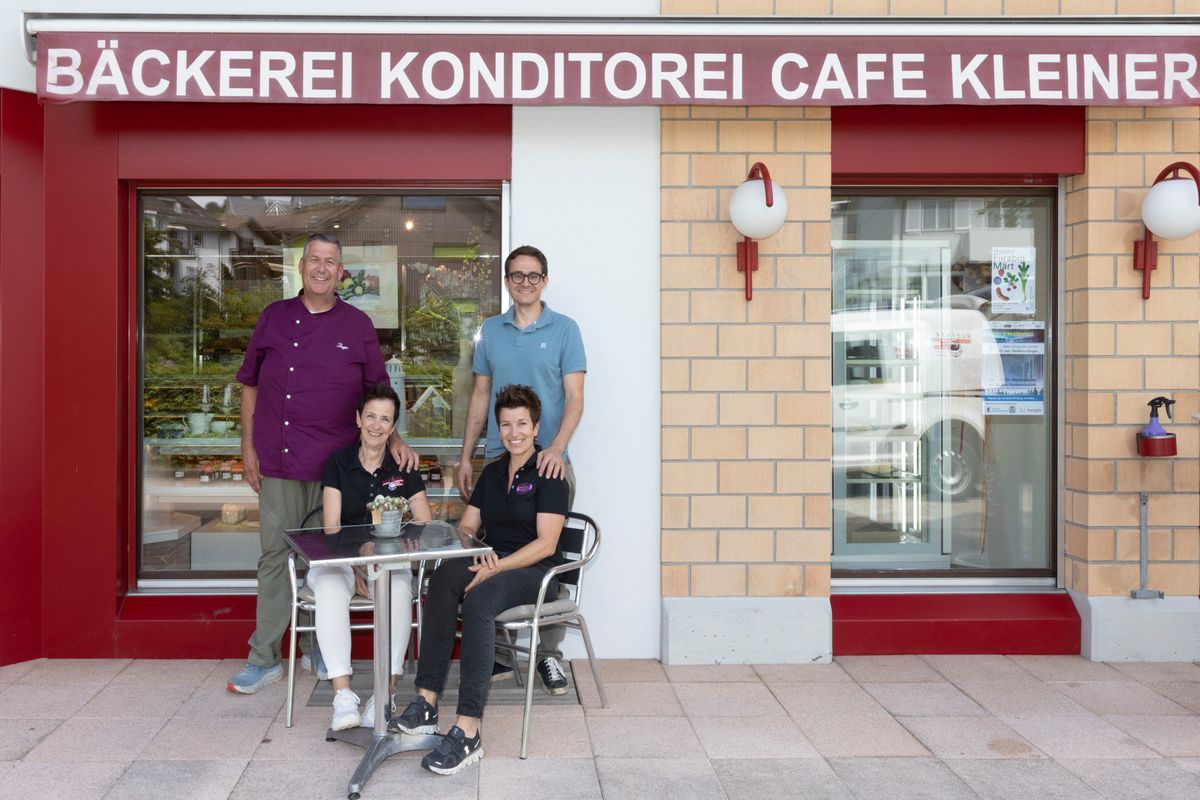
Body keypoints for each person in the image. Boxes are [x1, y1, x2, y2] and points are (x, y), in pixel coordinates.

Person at [228, 232, 417, 695]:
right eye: (314, 259)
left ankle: (320, 649)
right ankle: (264, 656)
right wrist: (247, 446)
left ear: (340, 272)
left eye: (330, 262)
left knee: (331, 559)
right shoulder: (274, 318)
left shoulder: (357, 325)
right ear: (301, 267)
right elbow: (249, 385)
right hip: (281, 458)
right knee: (276, 556)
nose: (321, 268)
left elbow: (379, 393)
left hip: (339, 468)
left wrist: (395, 439)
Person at [395, 385, 568, 775]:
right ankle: (426, 702)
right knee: (441, 581)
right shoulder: (492, 473)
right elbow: (468, 526)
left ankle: (469, 729)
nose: (514, 432)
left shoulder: (550, 474)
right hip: (493, 559)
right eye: (506, 424)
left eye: (522, 423)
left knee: (479, 601)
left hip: (535, 572)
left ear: (536, 427)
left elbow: (547, 544)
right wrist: (476, 549)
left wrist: (497, 567)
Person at [455, 244, 585, 695]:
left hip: (550, 461)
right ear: (507, 281)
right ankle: (494, 655)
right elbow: (479, 397)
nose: (525, 282)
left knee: (550, 558)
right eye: (517, 275)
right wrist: (468, 456)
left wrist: (557, 448)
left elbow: (575, 398)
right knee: (492, 554)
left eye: (534, 275)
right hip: (497, 461)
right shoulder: (491, 330)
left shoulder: (565, 330)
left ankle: (549, 656)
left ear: (544, 280)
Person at [310, 383, 432, 730]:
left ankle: (385, 692)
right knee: (329, 585)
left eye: (385, 420)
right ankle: (343, 695)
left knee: (396, 588)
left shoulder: (403, 466)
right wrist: (359, 565)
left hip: (390, 559)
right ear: (358, 419)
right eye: (371, 417)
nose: (377, 426)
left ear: (393, 427)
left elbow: (424, 520)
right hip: (344, 559)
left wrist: (393, 549)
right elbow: (332, 528)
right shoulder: (338, 463)